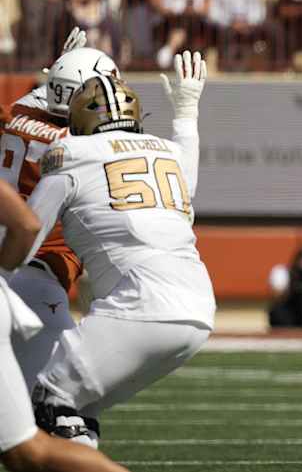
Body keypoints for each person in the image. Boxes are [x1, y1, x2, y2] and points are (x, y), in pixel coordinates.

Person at [25, 52, 213, 448]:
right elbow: (188, 187)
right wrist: (186, 112)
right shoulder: (167, 151)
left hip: (140, 306)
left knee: (46, 404)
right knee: (75, 408)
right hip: (198, 310)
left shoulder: (70, 154)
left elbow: (27, 233)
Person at [3, 30, 116, 397]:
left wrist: (57, 77)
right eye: (102, 92)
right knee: (62, 405)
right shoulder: (79, 146)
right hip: (36, 270)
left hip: (9, 259)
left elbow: (45, 101)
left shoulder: (17, 113)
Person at [0, 180, 131, 472]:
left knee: (34, 447)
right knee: (42, 439)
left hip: (34, 278)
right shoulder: (70, 149)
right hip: (37, 279)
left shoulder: (66, 153)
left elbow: (26, 224)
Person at [208, 0, 277, 70]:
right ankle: (226, 67)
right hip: (225, 24)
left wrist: (249, 22)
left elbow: (255, 2)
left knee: (274, 30)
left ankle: (277, 66)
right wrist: (230, 22)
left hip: (248, 23)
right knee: (225, 34)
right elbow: (213, 6)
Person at [149, 0, 213, 69]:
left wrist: (194, 11)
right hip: (168, 20)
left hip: (196, 20)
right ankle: (171, 53)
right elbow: (155, 2)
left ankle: (169, 50)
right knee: (180, 23)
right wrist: (171, 11)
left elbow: (207, 6)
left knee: (184, 23)